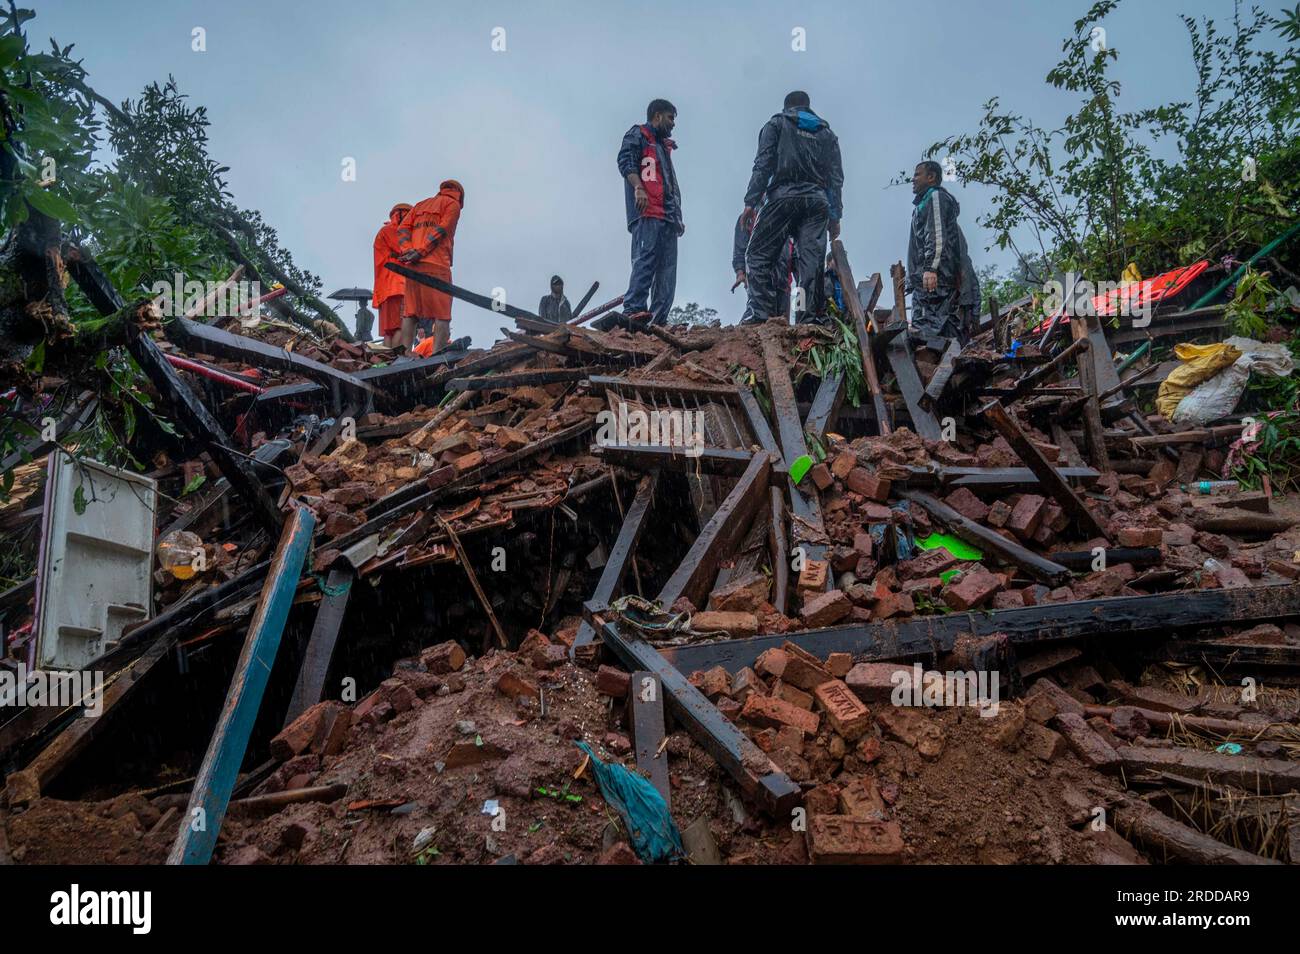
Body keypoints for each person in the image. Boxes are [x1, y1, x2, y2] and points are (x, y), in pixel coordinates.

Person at [741, 91, 843, 324]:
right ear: (808, 107)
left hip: (781, 198)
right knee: (810, 265)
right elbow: (836, 178)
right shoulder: (827, 134)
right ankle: (805, 316)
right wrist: (835, 216)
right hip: (817, 202)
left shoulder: (777, 124)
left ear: (787, 107)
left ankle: (761, 314)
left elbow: (763, 164)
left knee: (758, 255)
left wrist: (750, 201)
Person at [617, 98, 683, 325]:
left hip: (667, 217)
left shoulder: (664, 147)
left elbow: (670, 183)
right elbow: (625, 162)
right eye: (670, 118)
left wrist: (678, 217)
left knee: (667, 272)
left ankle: (658, 320)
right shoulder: (638, 135)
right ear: (657, 115)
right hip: (647, 212)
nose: (673, 124)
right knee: (644, 262)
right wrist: (638, 188)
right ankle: (633, 310)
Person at [905, 160, 980, 348]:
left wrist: (931, 268)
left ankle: (942, 367)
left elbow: (937, 235)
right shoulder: (922, 204)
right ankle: (937, 368)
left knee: (934, 331)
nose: (912, 179)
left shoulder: (935, 197)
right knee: (929, 329)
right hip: (928, 280)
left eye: (917, 174)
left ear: (931, 177)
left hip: (937, 279)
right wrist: (910, 277)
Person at [396, 180, 464, 353]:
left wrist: (408, 250)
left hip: (413, 266)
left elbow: (402, 228)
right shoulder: (453, 204)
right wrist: (420, 251)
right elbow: (442, 230)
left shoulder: (419, 206)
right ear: (459, 194)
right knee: (442, 314)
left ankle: (404, 356)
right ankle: (437, 357)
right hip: (437, 264)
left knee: (410, 313)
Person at [732, 198, 792, 324]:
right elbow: (740, 247)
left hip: (783, 279)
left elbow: (793, 249)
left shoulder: (785, 216)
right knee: (757, 314)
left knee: (781, 321)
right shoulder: (749, 217)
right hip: (758, 276)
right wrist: (740, 273)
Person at [372, 202, 411, 347]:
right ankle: (396, 362)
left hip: (386, 290)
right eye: (408, 215)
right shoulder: (393, 231)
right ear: (399, 214)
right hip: (397, 286)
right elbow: (406, 250)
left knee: (388, 331)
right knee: (402, 326)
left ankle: (388, 362)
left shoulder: (385, 231)